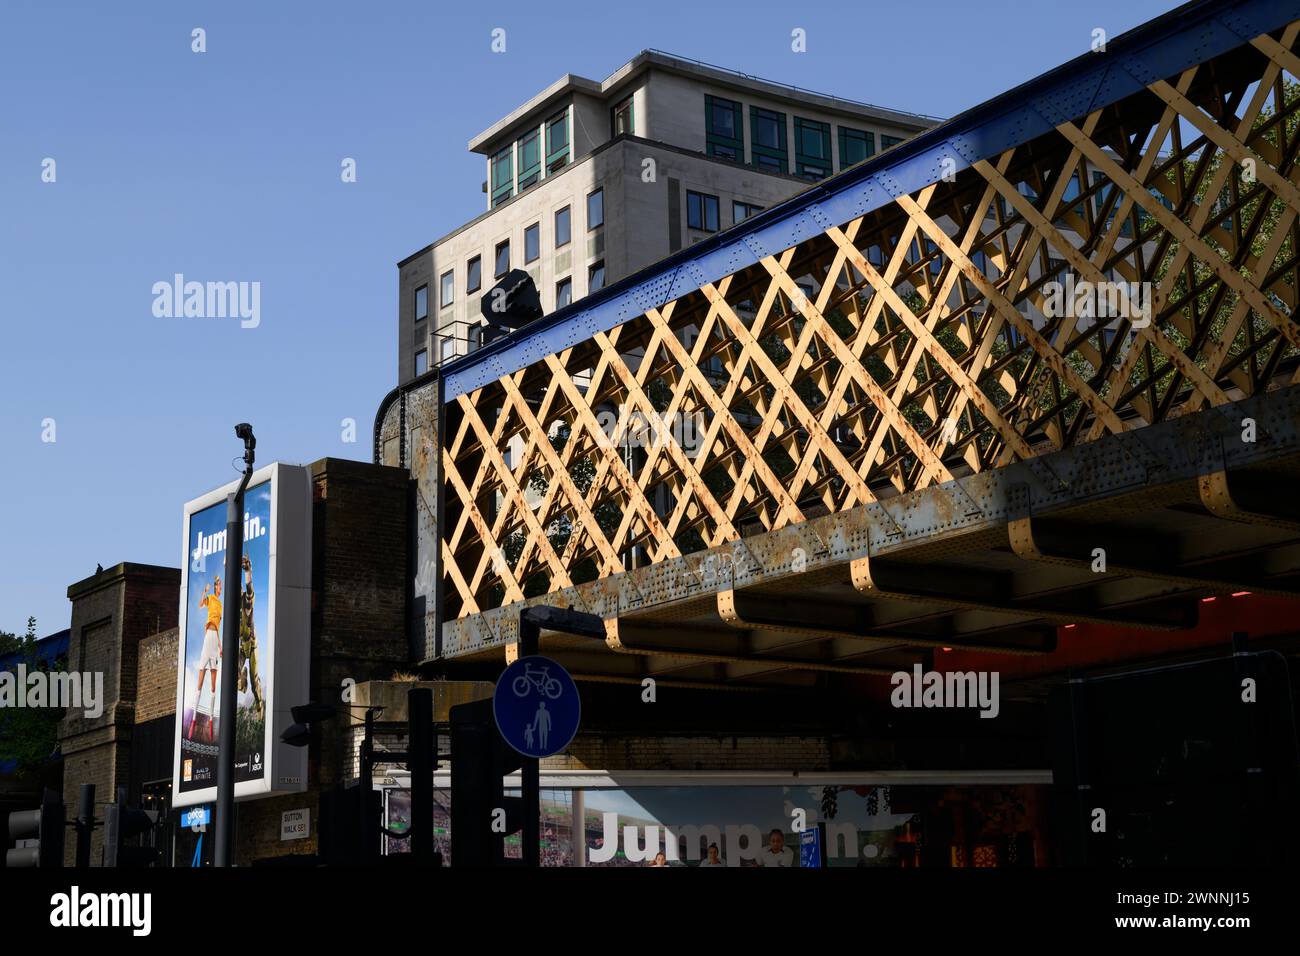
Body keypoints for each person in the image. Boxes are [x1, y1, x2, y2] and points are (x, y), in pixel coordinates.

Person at [190, 575, 223, 741]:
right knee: (200, 682)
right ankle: (194, 718)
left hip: (215, 641)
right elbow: (200, 604)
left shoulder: (221, 605)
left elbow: (219, 628)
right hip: (207, 638)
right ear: (216, 586)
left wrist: (220, 646)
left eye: (221, 586)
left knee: (213, 686)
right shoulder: (211, 598)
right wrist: (204, 591)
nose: (221, 588)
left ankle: (210, 720)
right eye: (219, 585)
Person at [237, 555, 264, 720]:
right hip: (241, 647)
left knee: (255, 682)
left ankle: (260, 707)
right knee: (233, 676)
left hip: (252, 646)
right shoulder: (233, 613)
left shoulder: (245, 604)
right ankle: (242, 679)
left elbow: (250, 592)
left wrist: (248, 572)